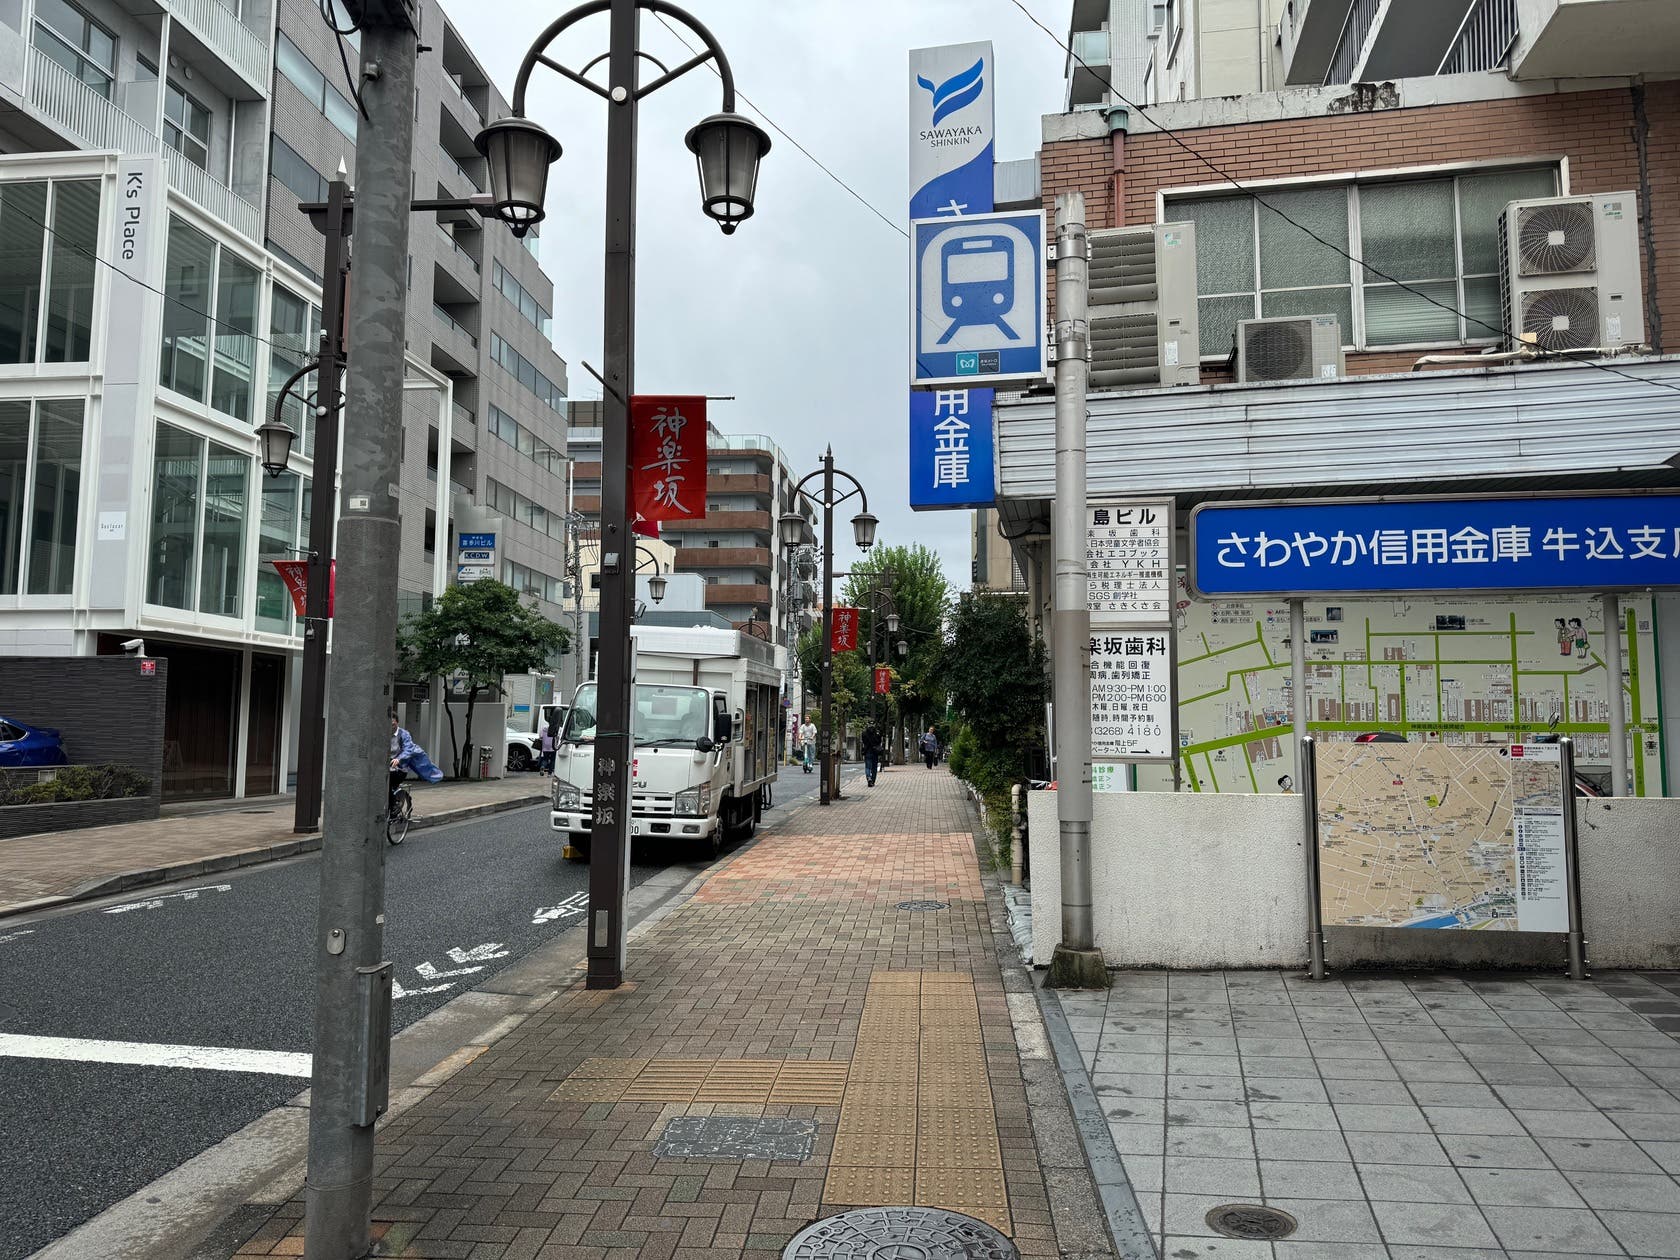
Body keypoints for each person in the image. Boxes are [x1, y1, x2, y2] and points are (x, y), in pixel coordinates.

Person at [390, 711, 444, 795]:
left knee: (390, 784)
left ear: (397, 722)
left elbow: (408, 749)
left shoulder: (404, 734)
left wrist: (398, 759)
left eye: (393, 724)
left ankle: (392, 805)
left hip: (399, 769)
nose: (391, 727)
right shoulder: (384, 734)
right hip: (387, 767)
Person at [861, 721, 883, 787]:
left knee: (868, 767)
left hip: (867, 751)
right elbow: (879, 741)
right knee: (874, 767)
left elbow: (863, 741)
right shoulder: (877, 733)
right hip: (875, 752)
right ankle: (873, 781)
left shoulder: (864, 733)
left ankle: (868, 778)